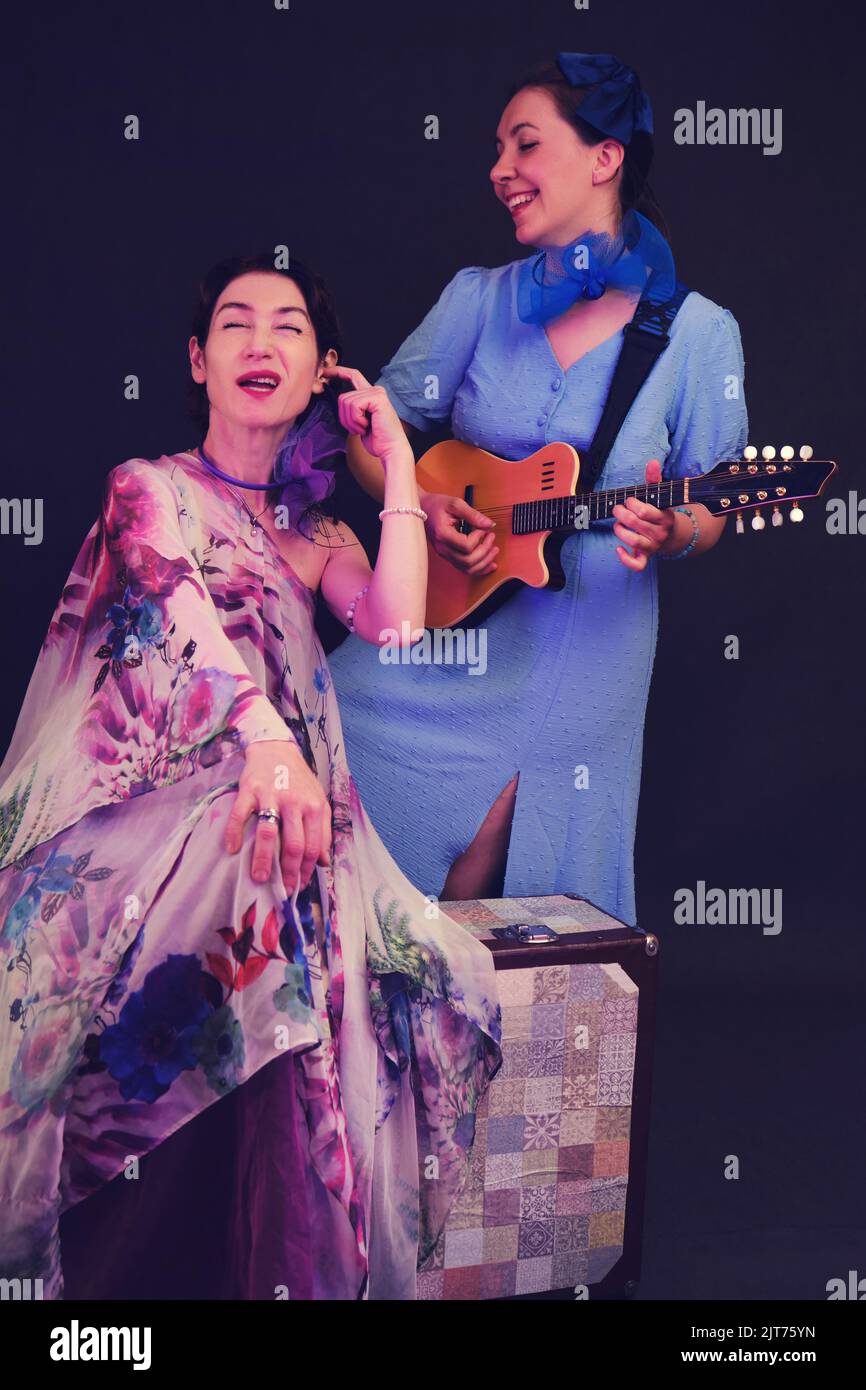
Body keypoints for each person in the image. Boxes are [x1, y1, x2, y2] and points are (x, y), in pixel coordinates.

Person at [0, 252, 501, 1301]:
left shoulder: (314, 537)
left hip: (295, 823)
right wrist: (264, 740)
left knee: (393, 949)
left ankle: (276, 1265)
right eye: (235, 324)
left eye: (288, 328)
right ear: (197, 359)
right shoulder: (150, 487)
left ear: (323, 369)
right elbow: (174, 604)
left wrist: (398, 466)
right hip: (157, 810)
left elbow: (400, 623)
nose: (261, 343)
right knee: (258, 877)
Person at [328, 51, 749, 924]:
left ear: (606, 159)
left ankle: (458, 1056)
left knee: (510, 897)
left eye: (525, 145)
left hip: (583, 653)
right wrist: (421, 504)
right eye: (495, 150)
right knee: (339, 787)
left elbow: (718, 500)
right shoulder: (477, 301)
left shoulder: (700, 334)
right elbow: (376, 440)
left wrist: (678, 532)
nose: (499, 171)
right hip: (446, 626)